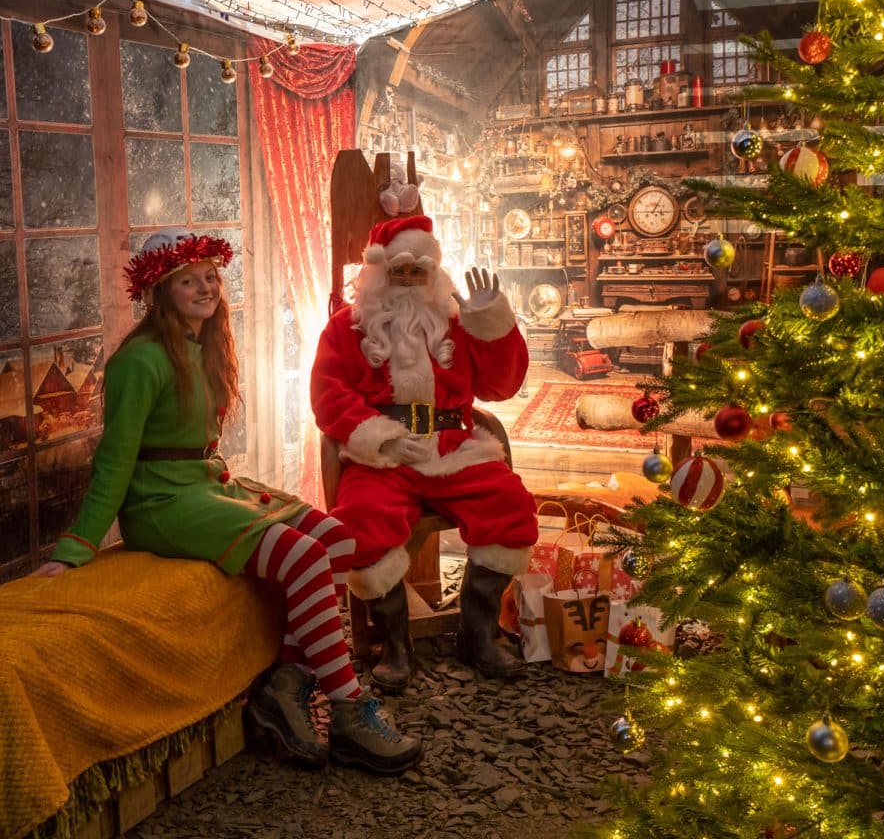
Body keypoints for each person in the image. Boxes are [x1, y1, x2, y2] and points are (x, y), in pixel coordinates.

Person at [32, 226, 421, 776]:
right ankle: (350, 708)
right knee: (304, 556)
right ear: (160, 292)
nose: (204, 289)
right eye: (187, 281)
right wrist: (76, 547)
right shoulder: (138, 361)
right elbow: (115, 462)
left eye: (210, 278)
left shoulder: (206, 345)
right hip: (160, 502)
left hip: (206, 482)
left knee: (336, 537)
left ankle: (286, 684)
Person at [310, 214, 539, 693]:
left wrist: (492, 325)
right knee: (363, 521)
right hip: (385, 456)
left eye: (419, 272)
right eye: (399, 272)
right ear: (377, 274)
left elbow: (501, 387)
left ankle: (476, 634)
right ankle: (394, 644)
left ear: (434, 273)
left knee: (510, 505)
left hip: (454, 447)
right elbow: (328, 394)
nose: (410, 283)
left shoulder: (459, 323)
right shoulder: (344, 328)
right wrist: (377, 435)